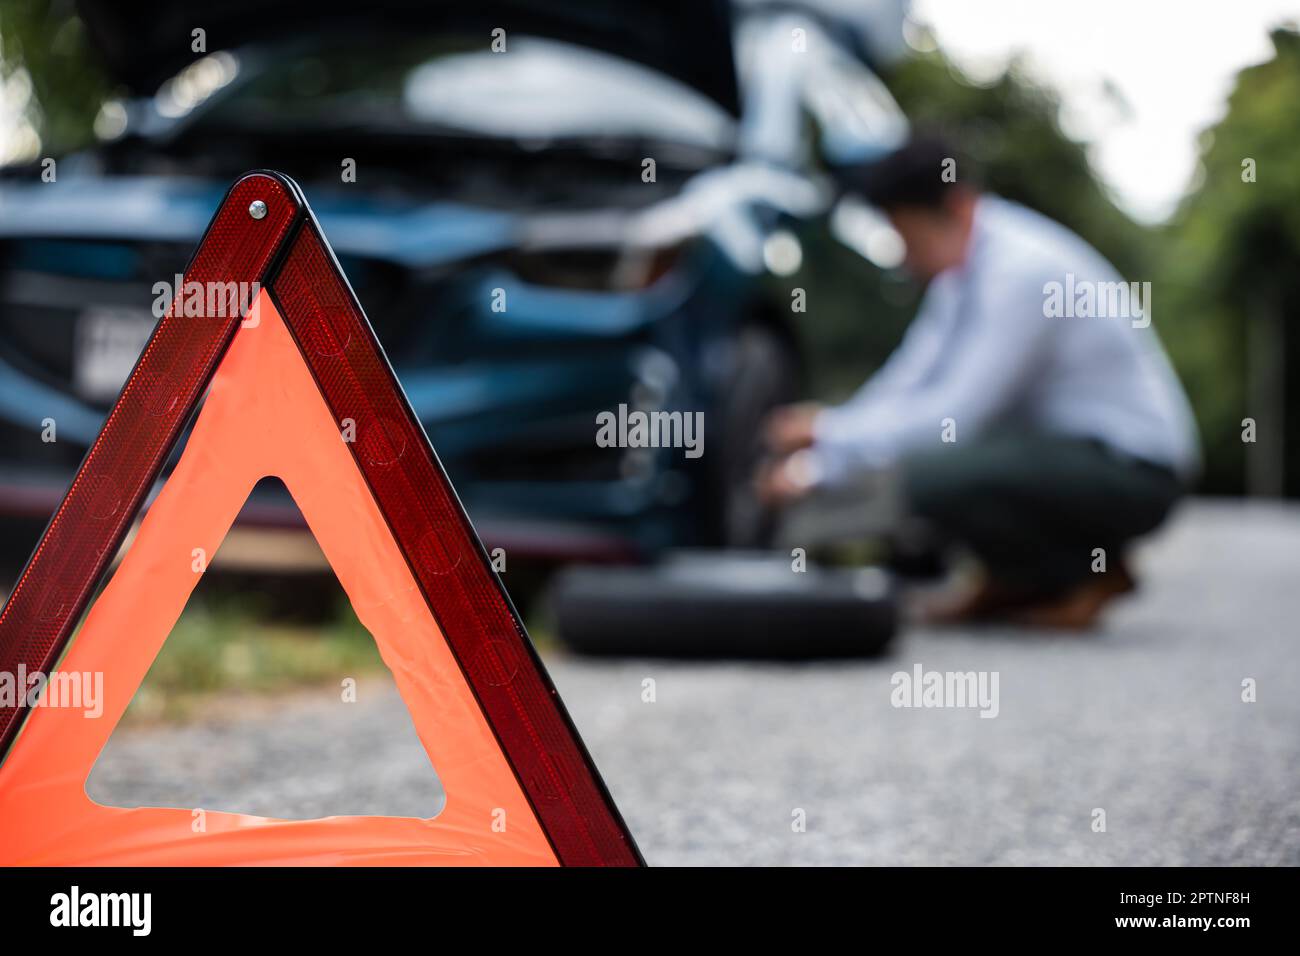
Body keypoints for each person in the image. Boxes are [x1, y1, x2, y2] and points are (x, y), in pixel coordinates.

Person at [758, 134, 1200, 629]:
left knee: (930, 475)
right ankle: (1025, 578)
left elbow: (954, 418)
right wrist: (822, 451)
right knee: (952, 464)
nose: (905, 257)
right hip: (1070, 456)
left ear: (958, 208)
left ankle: (1073, 572)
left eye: (909, 237)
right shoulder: (960, 278)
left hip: (1134, 470)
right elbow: (906, 384)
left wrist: (823, 446)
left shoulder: (1023, 273)